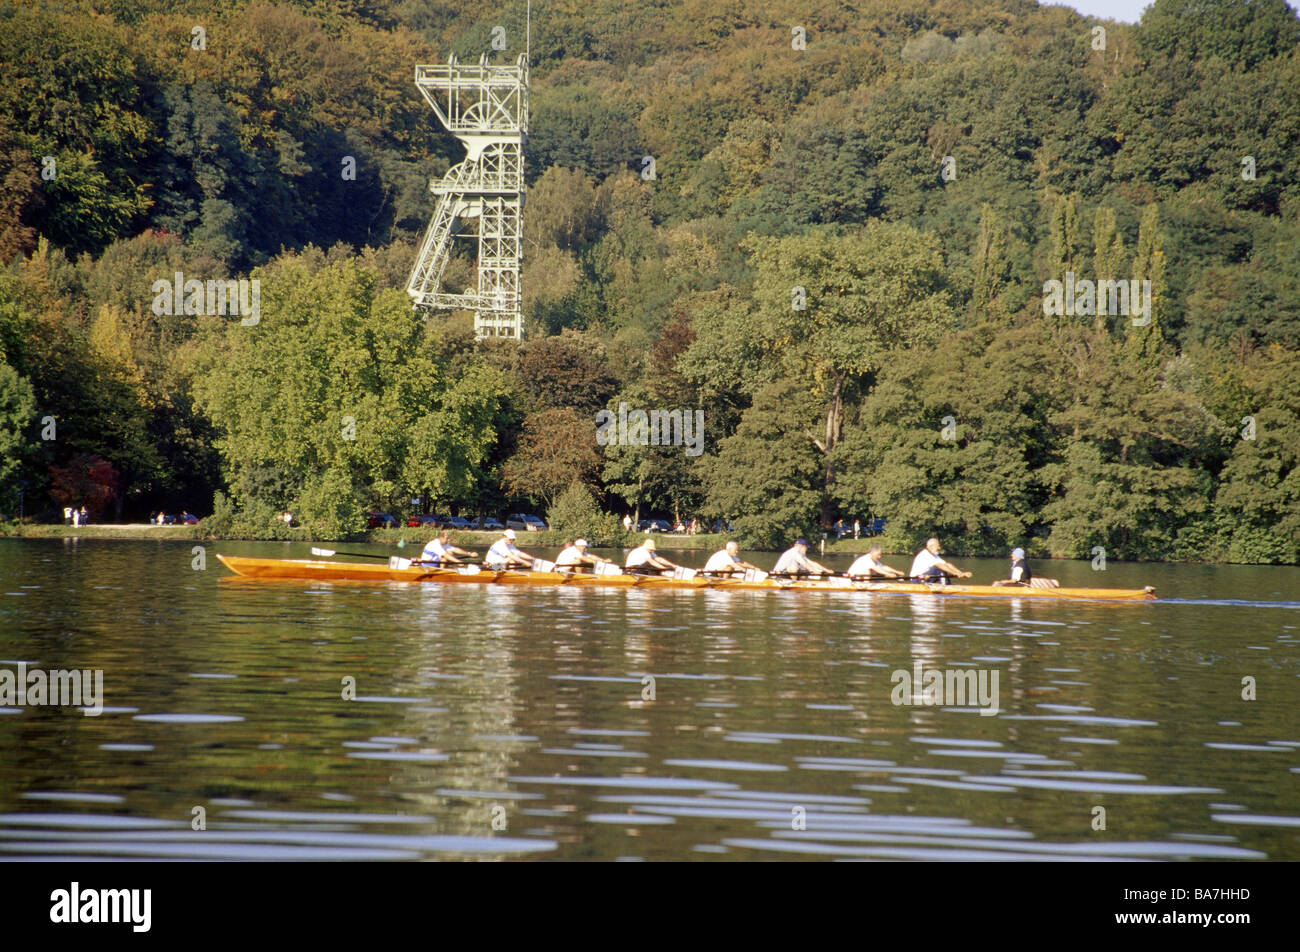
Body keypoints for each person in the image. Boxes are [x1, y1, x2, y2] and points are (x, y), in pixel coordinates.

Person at [908, 537, 972, 582]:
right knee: (939, 568)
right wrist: (955, 573)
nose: (939, 548)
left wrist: (961, 573)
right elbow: (940, 566)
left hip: (926, 577)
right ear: (931, 546)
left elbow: (947, 564)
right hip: (916, 580)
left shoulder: (934, 555)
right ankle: (947, 586)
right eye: (937, 546)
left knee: (943, 567)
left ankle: (947, 585)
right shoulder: (925, 555)